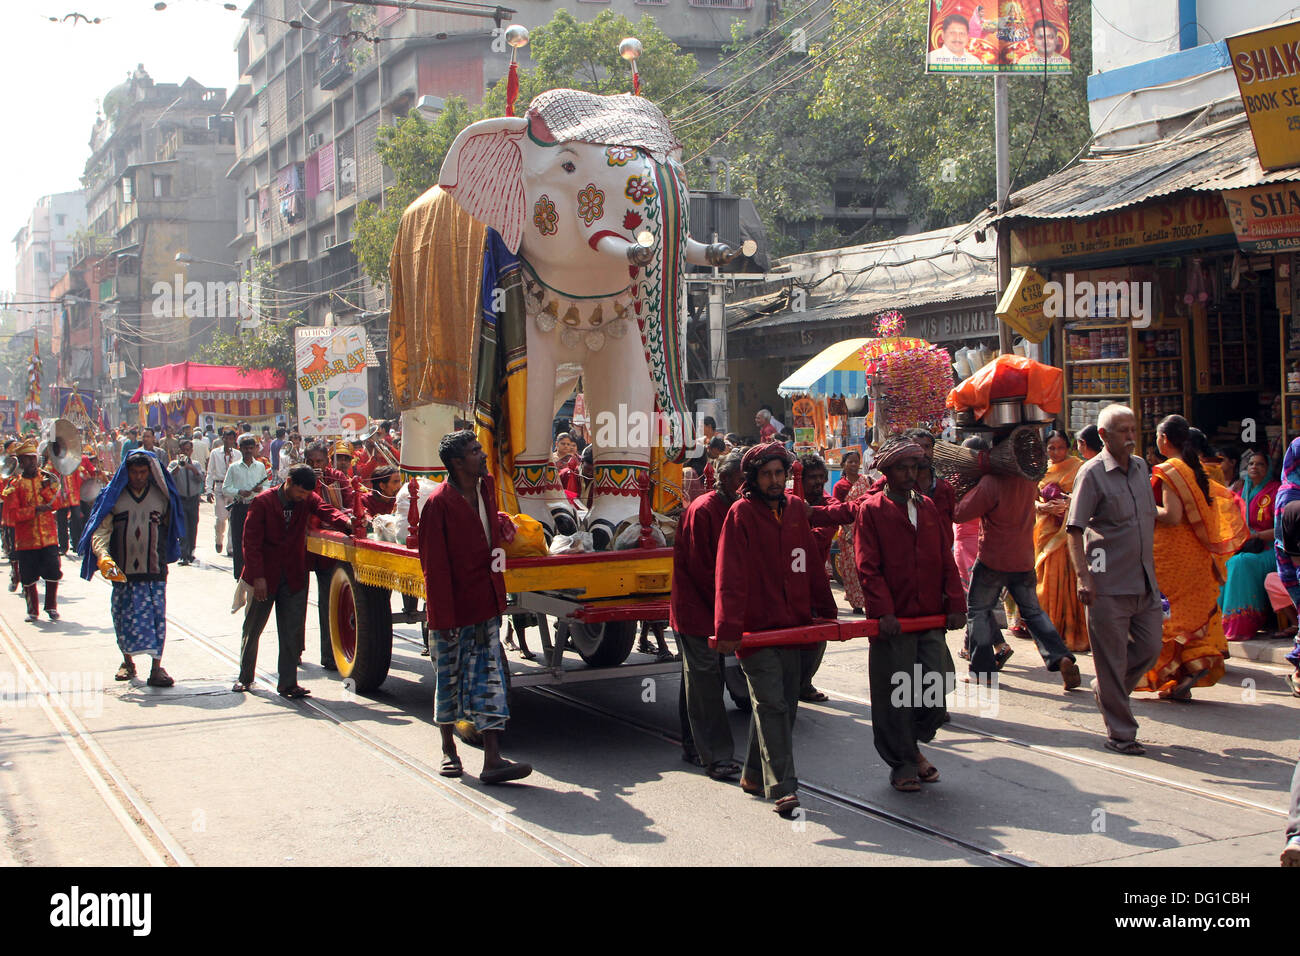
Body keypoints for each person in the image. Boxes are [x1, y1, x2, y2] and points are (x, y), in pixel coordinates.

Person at [715, 442, 838, 818]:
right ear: (753, 478)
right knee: (771, 703)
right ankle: (783, 786)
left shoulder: (798, 510)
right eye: (766, 474)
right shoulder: (741, 513)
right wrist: (728, 628)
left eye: (779, 474)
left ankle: (754, 774)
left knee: (783, 705)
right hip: (756, 630)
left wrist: (826, 612)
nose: (774, 480)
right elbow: (729, 576)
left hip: (794, 626)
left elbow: (812, 565)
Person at [419, 430, 532, 785]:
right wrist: (443, 619)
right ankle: (448, 750)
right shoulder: (438, 503)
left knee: (489, 678)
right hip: (452, 610)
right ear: (456, 463)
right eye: (474, 451)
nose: (482, 454)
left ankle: (493, 759)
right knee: (449, 678)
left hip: (485, 602)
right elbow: (433, 569)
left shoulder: (486, 488)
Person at [854, 439, 967, 792]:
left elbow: (945, 557)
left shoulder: (929, 507)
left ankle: (913, 744)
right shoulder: (872, 509)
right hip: (894, 623)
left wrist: (955, 603)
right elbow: (868, 567)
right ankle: (903, 761)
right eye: (902, 468)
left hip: (929, 616)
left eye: (915, 468)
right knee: (895, 694)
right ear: (887, 472)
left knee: (935, 687)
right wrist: (884, 612)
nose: (909, 475)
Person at [1065, 405, 1163, 755]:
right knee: (1111, 658)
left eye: (1134, 429)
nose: (1132, 437)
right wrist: (1083, 578)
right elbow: (1074, 529)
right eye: (1123, 431)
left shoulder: (1140, 468)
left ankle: (1108, 690)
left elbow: (1146, 518)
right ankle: (1122, 733)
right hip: (1106, 583)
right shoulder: (1091, 474)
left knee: (1151, 648)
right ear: (1104, 436)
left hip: (1144, 580)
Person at [953, 434, 1082, 690]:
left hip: (993, 558)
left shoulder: (992, 482)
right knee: (1033, 612)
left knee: (978, 610)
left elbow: (960, 513)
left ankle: (982, 671)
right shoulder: (1027, 479)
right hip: (1023, 557)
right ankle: (1061, 656)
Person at [1135, 415, 1247, 701]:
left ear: (1163, 439)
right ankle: (1186, 673)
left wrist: (1145, 507)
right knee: (1190, 613)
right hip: (1195, 552)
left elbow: (1172, 517)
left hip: (1172, 555)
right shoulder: (1192, 468)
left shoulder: (1169, 470)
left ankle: (1172, 672)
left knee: (1166, 615)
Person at [233, 464, 355, 698]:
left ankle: (288, 683)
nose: (303, 497)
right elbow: (250, 543)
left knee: (291, 630)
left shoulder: (308, 499)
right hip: (264, 577)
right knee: (253, 627)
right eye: (300, 492)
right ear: (288, 482)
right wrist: (257, 577)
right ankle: (245, 677)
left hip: (293, 574)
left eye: (306, 494)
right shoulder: (263, 502)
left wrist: (347, 524)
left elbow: (326, 510)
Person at [79, 449, 186, 687]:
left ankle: (156, 668)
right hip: (122, 571)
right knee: (122, 617)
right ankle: (127, 662)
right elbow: (101, 530)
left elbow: (171, 528)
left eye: (143, 472)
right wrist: (103, 555)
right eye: (134, 472)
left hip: (154, 569)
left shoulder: (163, 497)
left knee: (157, 619)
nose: (138, 477)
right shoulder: (113, 497)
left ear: (150, 472)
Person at [672, 450, 744, 780]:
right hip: (697, 609)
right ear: (724, 479)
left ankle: (692, 744)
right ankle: (715, 756)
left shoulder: (738, 508)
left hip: (716, 608)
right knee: (705, 678)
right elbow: (705, 572)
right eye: (739, 480)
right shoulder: (704, 511)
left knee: (700, 677)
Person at [797, 452, 855, 702]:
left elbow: (822, 533)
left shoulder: (829, 503)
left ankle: (804, 681)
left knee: (819, 633)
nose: (818, 482)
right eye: (812, 477)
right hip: (787, 581)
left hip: (815, 581)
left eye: (821, 477)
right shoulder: (786, 500)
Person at [1034, 430, 1089, 652]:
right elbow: (1031, 500)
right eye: (1051, 448)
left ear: (1069, 448)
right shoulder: (1040, 469)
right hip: (1045, 531)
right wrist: (1044, 507)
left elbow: (1083, 498)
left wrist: (1067, 506)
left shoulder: (1078, 467)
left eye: (1061, 447)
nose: (1056, 452)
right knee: (1047, 581)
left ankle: (1073, 631)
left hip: (1068, 534)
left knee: (1068, 579)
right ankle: (1051, 634)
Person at [1220, 449, 1282, 641]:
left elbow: (1283, 529)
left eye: (1260, 464)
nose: (1254, 467)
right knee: (1220, 563)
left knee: (1241, 563)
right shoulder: (1242, 492)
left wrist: (1257, 536)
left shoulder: (1276, 490)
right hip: (1246, 547)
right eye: (1251, 464)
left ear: (1269, 468)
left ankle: (1242, 624)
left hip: (1271, 549)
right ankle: (1219, 625)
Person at [3, 438, 63, 621]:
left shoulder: (46, 480)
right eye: (26, 459)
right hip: (26, 540)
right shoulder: (15, 486)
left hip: (49, 537)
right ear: (20, 462)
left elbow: (57, 504)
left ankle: (51, 607)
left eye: (32, 458)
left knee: (54, 569)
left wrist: (46, 491)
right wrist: (34, 510)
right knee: (28, 576)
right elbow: (12, 515)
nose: (30, 462)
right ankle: (32, 610)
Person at [223, 433, 270, 580]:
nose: (248, 451)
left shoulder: (261, 466)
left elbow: (267, 486)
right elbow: (225, 488)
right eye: (245, 448)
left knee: (257, 541)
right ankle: (239, 574)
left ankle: (255, 573)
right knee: (238, 541)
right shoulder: (233, 467)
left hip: (256, 507)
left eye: (251, 448)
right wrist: (239, 492)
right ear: (240, 449)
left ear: (255, 449)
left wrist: (260, 491)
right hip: (239, 507)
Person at [168, 440, 204, 565]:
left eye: (188, 450)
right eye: (183, 450)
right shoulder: (173, 464)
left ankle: (191, 552)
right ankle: (183, 554)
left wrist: (192, 468)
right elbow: (169, 478)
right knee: (183, 527)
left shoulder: (196, 464)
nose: (186, 453)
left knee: (193, 526)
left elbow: (200, 479)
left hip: (193, 499)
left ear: (191, 451)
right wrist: (178, 467)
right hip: (181, 499)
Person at [205, 428, 238, 553]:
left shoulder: (237, 454)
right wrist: (208, 490)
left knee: (232, 519)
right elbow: (210, 472)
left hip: (233, 487)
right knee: (221, 517)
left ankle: (230, 548)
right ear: (222, 439)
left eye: (231, 439)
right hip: (219, 487)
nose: (229, 441)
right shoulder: (215, 453)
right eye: (227, 438)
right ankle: (219, 539)